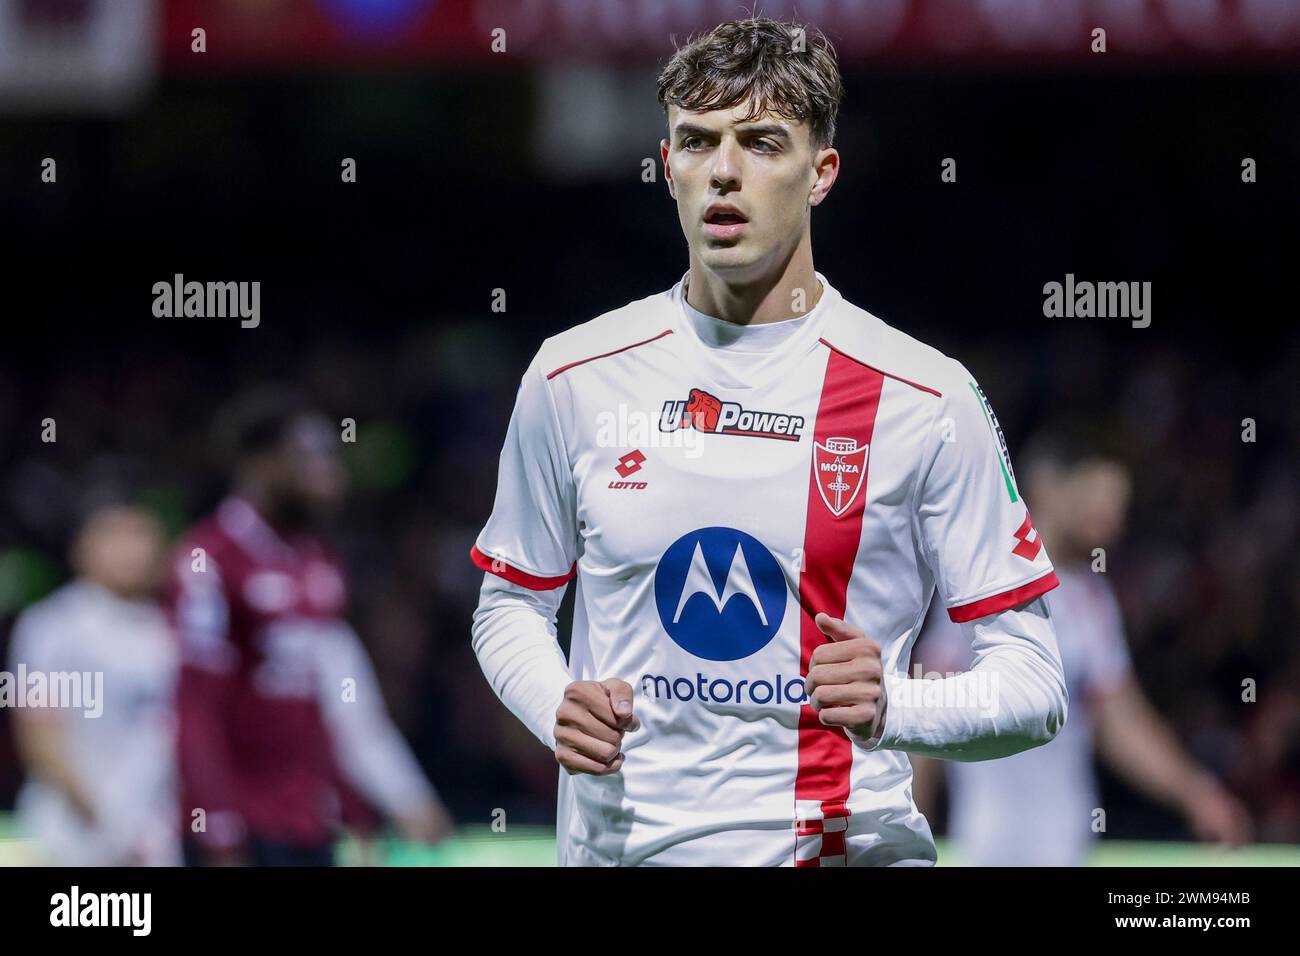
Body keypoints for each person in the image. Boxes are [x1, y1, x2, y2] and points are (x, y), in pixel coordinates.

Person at [470, 16, 1068, 867]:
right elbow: (509, 606)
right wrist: (553, 700)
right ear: (666, 163)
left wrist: (900, 706)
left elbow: (1036, 685)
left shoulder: (926, 396)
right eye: (697, 141)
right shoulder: (572, 377)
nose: (723, 171)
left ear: (821, 172)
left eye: (760, 142)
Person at [911, 437, 1252, 865]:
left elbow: (1119, 719)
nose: (1114, 518)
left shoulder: (1093, 598)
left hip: (1067, 846)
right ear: (1048, 487)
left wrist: (1196, 792)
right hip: (990, 845)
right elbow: (927, 708)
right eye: (1101, 496)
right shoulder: (982, 584)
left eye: (1120, 504)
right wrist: (911, 824)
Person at [170, 387, 452, 866]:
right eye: (313, 457)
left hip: (308, 822)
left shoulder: (318, 562)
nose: (331, 475)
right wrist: (215, 824)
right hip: (242, 824)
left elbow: (339, 700)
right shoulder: (209, 560)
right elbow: (194, 708)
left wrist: (363, 808)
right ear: (262, 463)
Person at [9, 498, 179, 866]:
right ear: (81, 547)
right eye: (113, 535)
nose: (130, 549)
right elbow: (39, 734)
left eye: (140, 535)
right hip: (66, 835)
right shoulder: (49, 626)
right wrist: (104, 825)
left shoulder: (173, 632)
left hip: (154, 839)